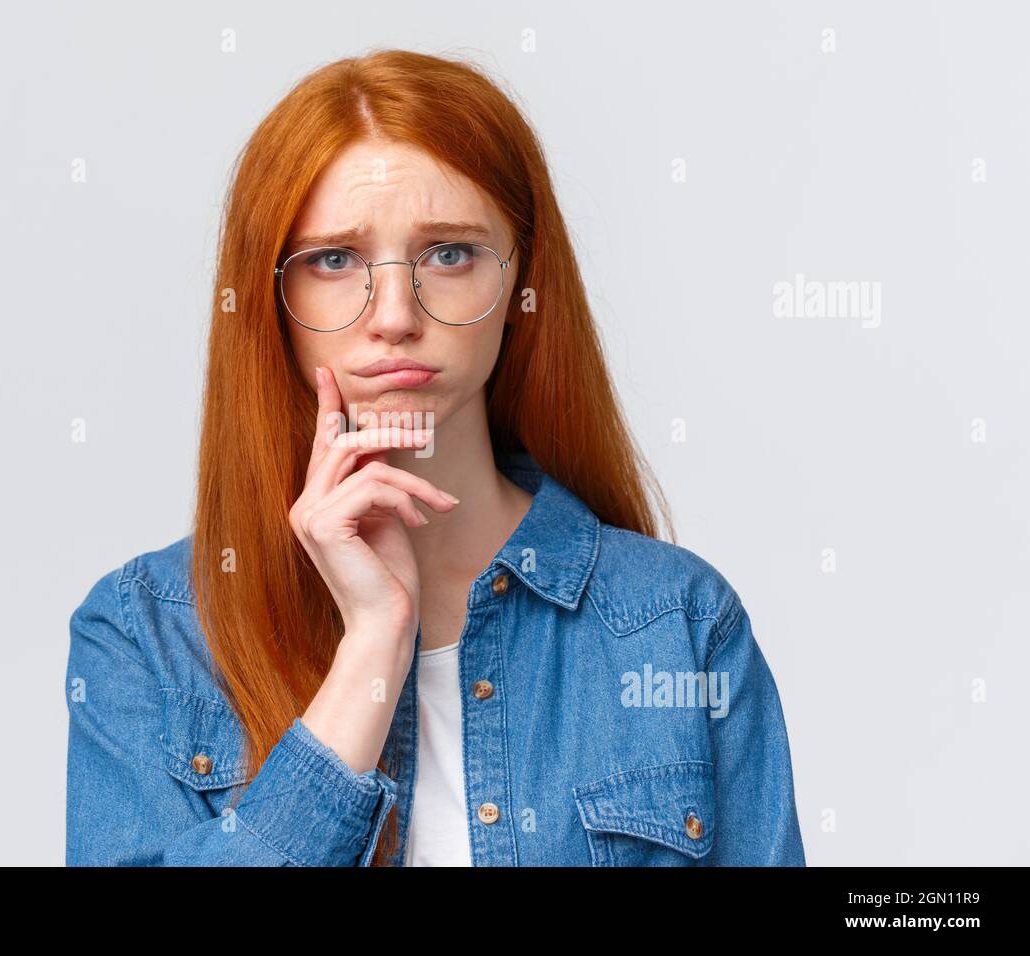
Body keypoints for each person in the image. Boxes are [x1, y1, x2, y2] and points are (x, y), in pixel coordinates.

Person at [65, 48, 805, 867]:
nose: (393, 315)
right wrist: (373, 644)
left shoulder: (679, 624)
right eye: (334, 260)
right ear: (271, 299)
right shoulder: (145, 634)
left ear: (524, 281)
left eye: (448, 253)